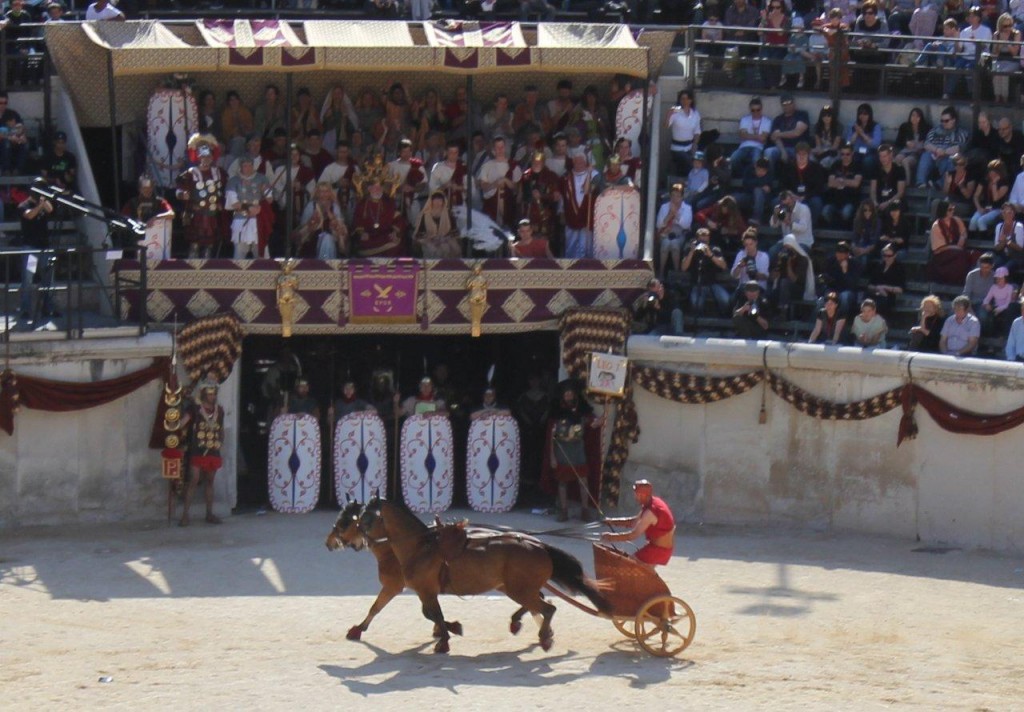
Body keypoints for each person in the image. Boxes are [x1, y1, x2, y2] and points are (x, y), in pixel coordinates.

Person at [543, 382, 604, 523]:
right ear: (563, 396)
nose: (568, 395)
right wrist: (552, 456)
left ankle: (585, 511)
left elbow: (592, 423)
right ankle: (563, 511)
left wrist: (600, 421)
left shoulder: (582, 411)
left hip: (578, 450)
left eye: (570, 393)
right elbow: (551, 438)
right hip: (562, 450)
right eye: (566, 393)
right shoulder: (556, 413)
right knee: (562, 482)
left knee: (583, 481)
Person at [600, 479, 676, 566]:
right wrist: (612, 521)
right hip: (657, 548)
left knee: (629, 565)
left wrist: (610, 537)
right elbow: (634, 521)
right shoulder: (651, 503)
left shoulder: (650, 512)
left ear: (643, 495)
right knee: (637, 569)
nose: (635, 497)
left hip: (658, 550)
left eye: (637, 494)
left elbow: (633, 535)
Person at [179, 381, 224, 527]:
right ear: (204, 394)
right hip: (197, 449)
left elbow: (221, 429)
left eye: (214, 394)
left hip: (213, 449)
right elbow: (183, 423)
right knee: (193, 480)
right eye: (210, 394)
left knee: (210, 482)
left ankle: (209, 513)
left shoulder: (220, 411)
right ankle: (185, 515)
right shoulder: (195, 409)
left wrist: (220, 443)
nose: (212, 396)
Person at [176, 134, 225, 258]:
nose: (206, 159)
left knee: (209, 246)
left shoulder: (219, 172)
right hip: (196, 213)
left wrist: (221, 202)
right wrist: (182, 195)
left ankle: (208, 270)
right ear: (198, 157)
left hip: (212, 214)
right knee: (195, 245)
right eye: (203, 156)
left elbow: (224, 191)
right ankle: (192, 270)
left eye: (208, 156)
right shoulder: (191, 173)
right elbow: (178, 191)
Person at [17, 190, 56, 321]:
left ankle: (48, 307)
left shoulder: (43, 204)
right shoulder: (24, 205)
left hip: (44, 247)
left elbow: (50, 210)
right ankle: (25, 309)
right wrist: (39, 206)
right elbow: (29, 215)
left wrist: (44, 202)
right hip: (31, 249)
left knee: (49, 279)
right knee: (28, 278)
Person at [928, 200, 971, 286]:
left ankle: (960, 282)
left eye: (953, 209)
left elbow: (963, 233)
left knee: (966, 255)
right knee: (959, 256)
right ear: (943, 210)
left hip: (958, 249)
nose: (952, 211)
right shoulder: (936, 225)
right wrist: (955, 248)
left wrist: (962, 239)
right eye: (950, 210)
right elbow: (938, 249)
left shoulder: (957, 220)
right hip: (943, 253)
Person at [655, 182, 691, 277]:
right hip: (665, 234)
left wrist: (677, 215)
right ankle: (661, 272)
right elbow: (659, 224)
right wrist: (670, 215)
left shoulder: (687, 208)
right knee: (666, 244)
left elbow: (686, 225)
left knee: (674, 244)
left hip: (679, 235)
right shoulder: (664, 207)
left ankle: (676, 272)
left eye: (678, 196)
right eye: (673, 196)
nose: (675, 198)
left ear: (682, 197)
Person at [665, 89, 701, 177]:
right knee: (689, 163)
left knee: (699, 161)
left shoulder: (695, 114)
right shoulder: (675, 112)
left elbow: (697, 131)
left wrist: (695, 145)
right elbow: (666, 126)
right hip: (677, 148)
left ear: (691, 100)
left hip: (690, 146)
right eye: (683, 99)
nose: (685, 101)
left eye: (687, 99)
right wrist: (668, 114)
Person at [867, 244, 906, 317]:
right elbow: (869, 285)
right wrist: (877, 288)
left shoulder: (899, 268)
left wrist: (885, 287)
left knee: (881, 302)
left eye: (889, 256)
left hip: (888, 296)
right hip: (875, 293)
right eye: (884, 255)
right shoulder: (878, 266)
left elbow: (900, 289)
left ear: (895, 255)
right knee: (867, 301)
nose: (886, 258)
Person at [980, 266, 1018, 336]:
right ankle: (990, 336)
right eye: (997, 278)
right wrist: (986, 304)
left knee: (1008, 314)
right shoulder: (993, 287)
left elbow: (1007, 303)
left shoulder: (1009, 287)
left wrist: (999, 309)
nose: (998, 280)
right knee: (988, 316)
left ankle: (1006, 335)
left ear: (1005, 278)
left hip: (1006, 308)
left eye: (1001, 278)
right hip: (996, 308)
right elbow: (986, 299)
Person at [1004, 297, 1024, 361]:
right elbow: (1010, 344)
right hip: (1018, 359)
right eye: (1023, 308)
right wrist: (1011, 359)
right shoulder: (1017, 322)